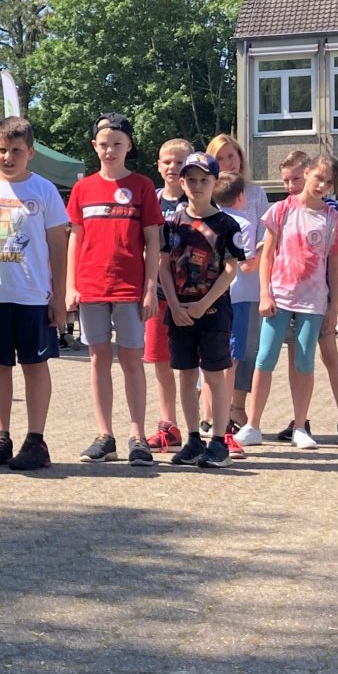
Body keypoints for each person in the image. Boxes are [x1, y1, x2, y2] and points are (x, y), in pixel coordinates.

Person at [0, 116, 70, 470]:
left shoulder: (44, 190)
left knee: (35, 365)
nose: (8, 157)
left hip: (32, 294)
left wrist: (59, 297)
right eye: (2, 150)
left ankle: (36, 440)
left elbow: (58, 245)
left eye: (16, 151)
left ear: (30, 153)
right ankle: (0, 436)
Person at [64, 113, 162, 466]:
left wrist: (150, 289)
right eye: (104, 144)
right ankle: (105, 436)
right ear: (95, 146)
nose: (110, 150)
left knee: (133, 361)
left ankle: (138, 436)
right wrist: (70, 286)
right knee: (98, 360)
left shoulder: (142, 186)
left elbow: (153, 241)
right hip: (91, 288)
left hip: (130, 290)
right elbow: (76, 237)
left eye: (117, 144)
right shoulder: (83, 188)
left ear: (129, 146)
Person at [236, 154, 338, 449]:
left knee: (304, 362)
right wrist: (265, 293)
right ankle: (253, 424)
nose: (321, 185)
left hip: (313, 303)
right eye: (318, 178)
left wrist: (332, 305)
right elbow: (268, 256)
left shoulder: (332, 219)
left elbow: (334, 266)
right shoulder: (281, 210)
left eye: (328, 182)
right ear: (307, 172)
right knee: (264, 359)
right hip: (279, 297)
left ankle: (300, 425)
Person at [157, 152, 245, 468]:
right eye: (191, 180)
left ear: (214, 183)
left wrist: (202, 304)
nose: (197, 185)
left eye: (204, 180)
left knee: (214, 375)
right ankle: (193, 438)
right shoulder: (172, 223)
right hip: (178, 311)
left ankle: (218, 440)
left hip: (213, 313)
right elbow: (162, 265)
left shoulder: (225, 224)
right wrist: (175, 304)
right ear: (181, 183)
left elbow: (232, 269)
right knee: (184, 374)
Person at [207, 133, 265, 447]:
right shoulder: (207, 193)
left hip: (248, 286)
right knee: (220, 349)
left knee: (245, 350)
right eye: (221, 158)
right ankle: (214, 413)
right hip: (218, 286)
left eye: (233, 156)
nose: (229, 162)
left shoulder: (254, 194)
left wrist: (258, 252)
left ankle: (237, 407)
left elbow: (267, 232)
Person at [144, 137, 191, 447]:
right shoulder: (152, 200)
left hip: (192, 296)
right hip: (157, 293)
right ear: (159, 166)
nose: (172, 167)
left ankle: (203, 425)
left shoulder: (198, 201)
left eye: (179, 162)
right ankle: (168, 424)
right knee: (160, 361)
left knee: (193, 364)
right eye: (167, 162)